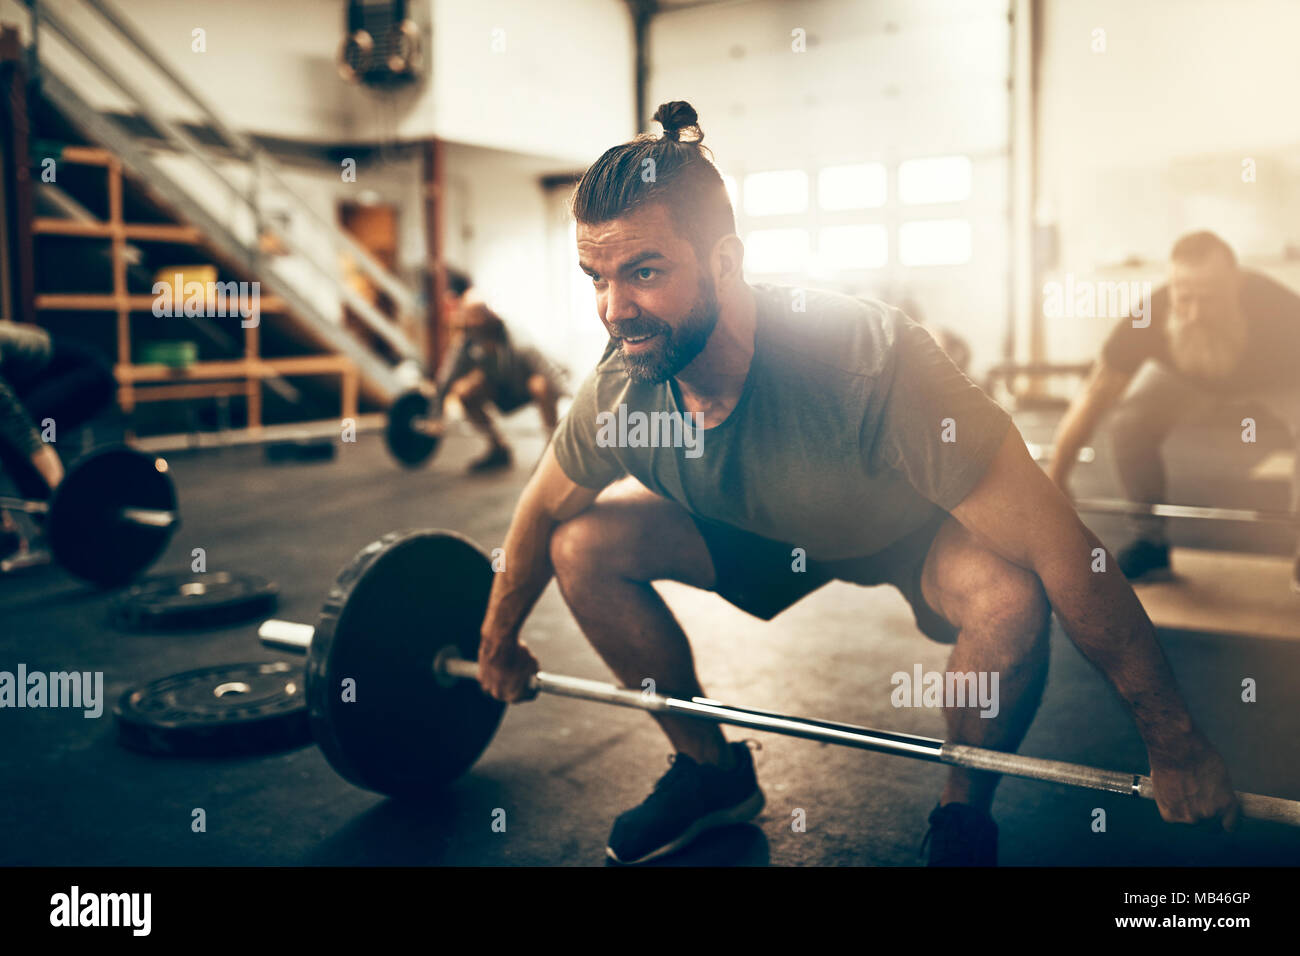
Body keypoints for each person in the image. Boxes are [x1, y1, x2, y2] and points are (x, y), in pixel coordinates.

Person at [471, 101, 1239, 866]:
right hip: (751, 530)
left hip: (907, 534)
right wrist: (497, 640)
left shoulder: (868, 362)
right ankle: (710, 772)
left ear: (725, 262)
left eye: (644, 273)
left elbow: (1065, 548)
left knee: (1009, 593)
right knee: (580, 543)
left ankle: (963, 813)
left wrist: (1173, 741)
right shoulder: (620, 394)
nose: (615, 311)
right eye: (596, 278)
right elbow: (539, 511)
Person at [1046, 232, 1300, 590]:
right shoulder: (1149, 317)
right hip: (1189, 380)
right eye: (1185, 299)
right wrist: (1057, 475)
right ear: (1172, 287)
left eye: (1209, 300)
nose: (1195, 314)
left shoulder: (1281, 311)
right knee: (1128, 423)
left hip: (1273, 380)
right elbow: (1095, 393)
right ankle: (1150, 543)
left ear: (1236, 284)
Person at [0, 321, 116, 567]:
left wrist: (64, 497)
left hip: (89, 374)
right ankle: (57, 527)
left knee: (13, 442)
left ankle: (62, 529)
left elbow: (24, 433)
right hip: (47, 383)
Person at [431, 269, 568, 472]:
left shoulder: (519, 341)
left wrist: (580, 409)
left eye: (478, 317)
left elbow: (552, 376)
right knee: (464, 391)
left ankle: (551, 452)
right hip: (501, 391)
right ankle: (498, 448)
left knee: (540, 384)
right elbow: (446, 378)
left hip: (523, 387)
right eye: (470, 318)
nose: (474, 322)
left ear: (488, 317)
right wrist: (434, 417)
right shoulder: (467, 342)